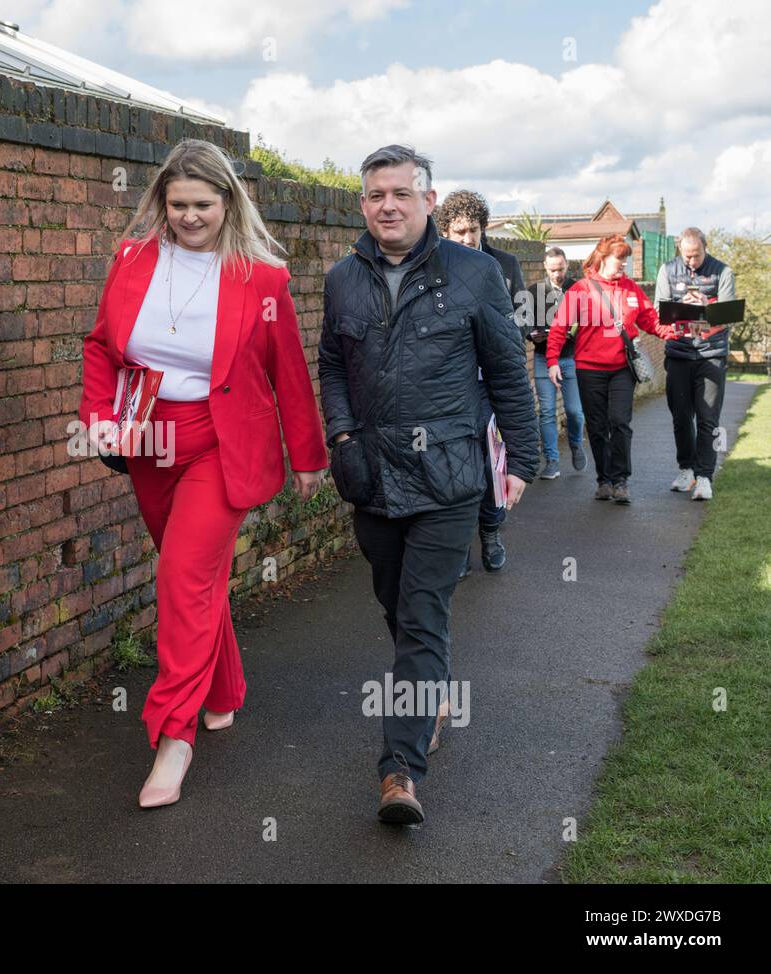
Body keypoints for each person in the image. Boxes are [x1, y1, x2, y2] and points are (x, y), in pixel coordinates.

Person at [77, 138, 327, 808]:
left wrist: (308, 456)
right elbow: (102, 345)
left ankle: (173, 736)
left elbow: (289, 374)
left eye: (203, 205)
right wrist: (98, 413)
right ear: (160, 200)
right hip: (151, 440)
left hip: (224, 443)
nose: (189, 217)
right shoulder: (132, 259)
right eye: (177, 203)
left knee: (182, 576)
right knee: (195, 579)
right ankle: (222, 691)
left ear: (228, 202)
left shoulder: (263, 277)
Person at [318, 146, 539, 825]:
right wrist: (343, 438)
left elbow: (505, 371)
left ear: (428, 200)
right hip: (373, 479)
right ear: (363, 204)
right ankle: (432, 688)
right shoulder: (342, 280)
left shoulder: (474, 274)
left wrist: (522, 460)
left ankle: (400, 770)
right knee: (397, 608)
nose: (388, 204)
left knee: (421, 616)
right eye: (376, 194)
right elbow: (330, 365)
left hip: (449, 478)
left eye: (401, 193)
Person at [546, 234, 680, 504]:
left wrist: (676, 331)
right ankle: (603, 480)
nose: (624, 265)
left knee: (619, 422)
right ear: (603, 258)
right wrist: (552, 361)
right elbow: (559, 327)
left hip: (622, 368)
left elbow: (652, 322)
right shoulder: (581, 290)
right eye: (620, 259)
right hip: (588, 368)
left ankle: (621, 481)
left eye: (626, 260)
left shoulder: (631, 289)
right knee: (596, 426)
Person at [434, 190, 525, 576]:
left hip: (490, 383)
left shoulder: (504, 264)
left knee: (490, 463)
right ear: (445, 232)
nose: (468, 238)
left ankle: (491, 532)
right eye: (459, 232)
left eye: (474, 230)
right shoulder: (433, 265)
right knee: (452, 466)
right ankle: (457, 550)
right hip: (449, 384)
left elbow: (519, 322)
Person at [654, 227, 737, 501]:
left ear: (705, 248)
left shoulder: (722, 272)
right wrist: (682, 307)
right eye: (687, 256)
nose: (692, 261)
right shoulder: (667, 270)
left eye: (697, 255)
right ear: (680, 251)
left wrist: (704, 305)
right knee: (680, 416)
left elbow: (727, 313)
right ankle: (686, 469)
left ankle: (704, 477)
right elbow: (660, 313)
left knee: (708, 417)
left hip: (711, 354)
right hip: (679, 353)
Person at [521, 246, 586, 479]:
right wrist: (532, 335)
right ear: (545, 267)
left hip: (571, 358)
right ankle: (551, 461)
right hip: (542, 358)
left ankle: (577, 443)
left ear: (567, 265)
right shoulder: (534, 292)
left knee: (575, 412)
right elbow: (523, 323)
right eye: (553, 270)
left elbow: (587, 322)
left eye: (561, 269)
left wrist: (573, 331)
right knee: (547, 412)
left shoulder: (578, 289)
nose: (557, 274)